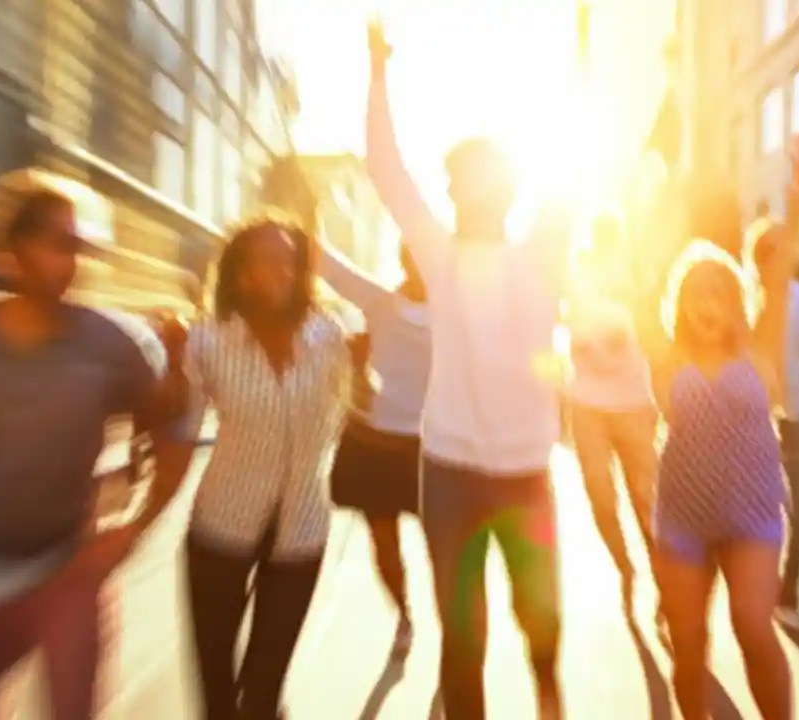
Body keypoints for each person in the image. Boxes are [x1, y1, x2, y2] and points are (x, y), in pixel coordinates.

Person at [362, 22, 577, 720]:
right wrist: (377, 75)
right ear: (449, 192)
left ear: (511, 188)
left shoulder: (541, 252)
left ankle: (548, 693)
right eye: (458, 180)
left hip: (525, 474)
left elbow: (578, 158)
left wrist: (582, 43)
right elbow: (387, 172)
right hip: (450, 470)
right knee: (464, 633)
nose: (467, 191)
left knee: (540, 622)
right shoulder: (438, 255)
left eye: (483, 178)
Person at [0, 169, 185, 720]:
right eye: (59, 243)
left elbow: (174, 435)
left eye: (79, 245)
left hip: (66, 574)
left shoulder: (111, 344)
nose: (74, 260)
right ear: (8, 251)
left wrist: (129, 531)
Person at [650, 137, 799, 720]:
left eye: (718, 290)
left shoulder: (760, 344)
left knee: (753, 628)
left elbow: (782, 267)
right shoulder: (666, 358)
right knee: (690, 642)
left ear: (734, 299)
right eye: (696, 292)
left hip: (751, 511)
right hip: (682, 516)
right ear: (680, 302)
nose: (707, 302)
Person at [175, 218, 351, 720]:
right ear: (239, 274)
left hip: (302, 532)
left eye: (291, 262)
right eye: (267, 263)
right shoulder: (207, 342)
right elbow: (182, 425)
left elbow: (346, 407)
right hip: (219, 529)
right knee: (215, 689)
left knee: (265, 688)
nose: (283, 273)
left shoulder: (328, 337)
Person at [319, 242, 430, 657]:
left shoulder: (460, 312)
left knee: (445, 549)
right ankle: (404, 616)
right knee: (384, 542)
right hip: (374, 443)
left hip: (429, 448)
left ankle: (452, 631)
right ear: (404, 259)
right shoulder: (379, 303)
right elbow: (327, 262)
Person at [565, 214, 659, 618]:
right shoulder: (578, 274)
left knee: (646, 500)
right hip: (587, 405)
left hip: (635, 403)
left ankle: (664, 581)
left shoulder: (639, 269)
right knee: (600, 497)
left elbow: (655, 331)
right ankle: (625, 568)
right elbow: (571, 337)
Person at [746, 221, 799, 630]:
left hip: (795, 419)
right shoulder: (742, 299)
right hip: (748, 424)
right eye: (774, 251)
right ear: (761, 259)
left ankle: (789, 594)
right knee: (756, 514)